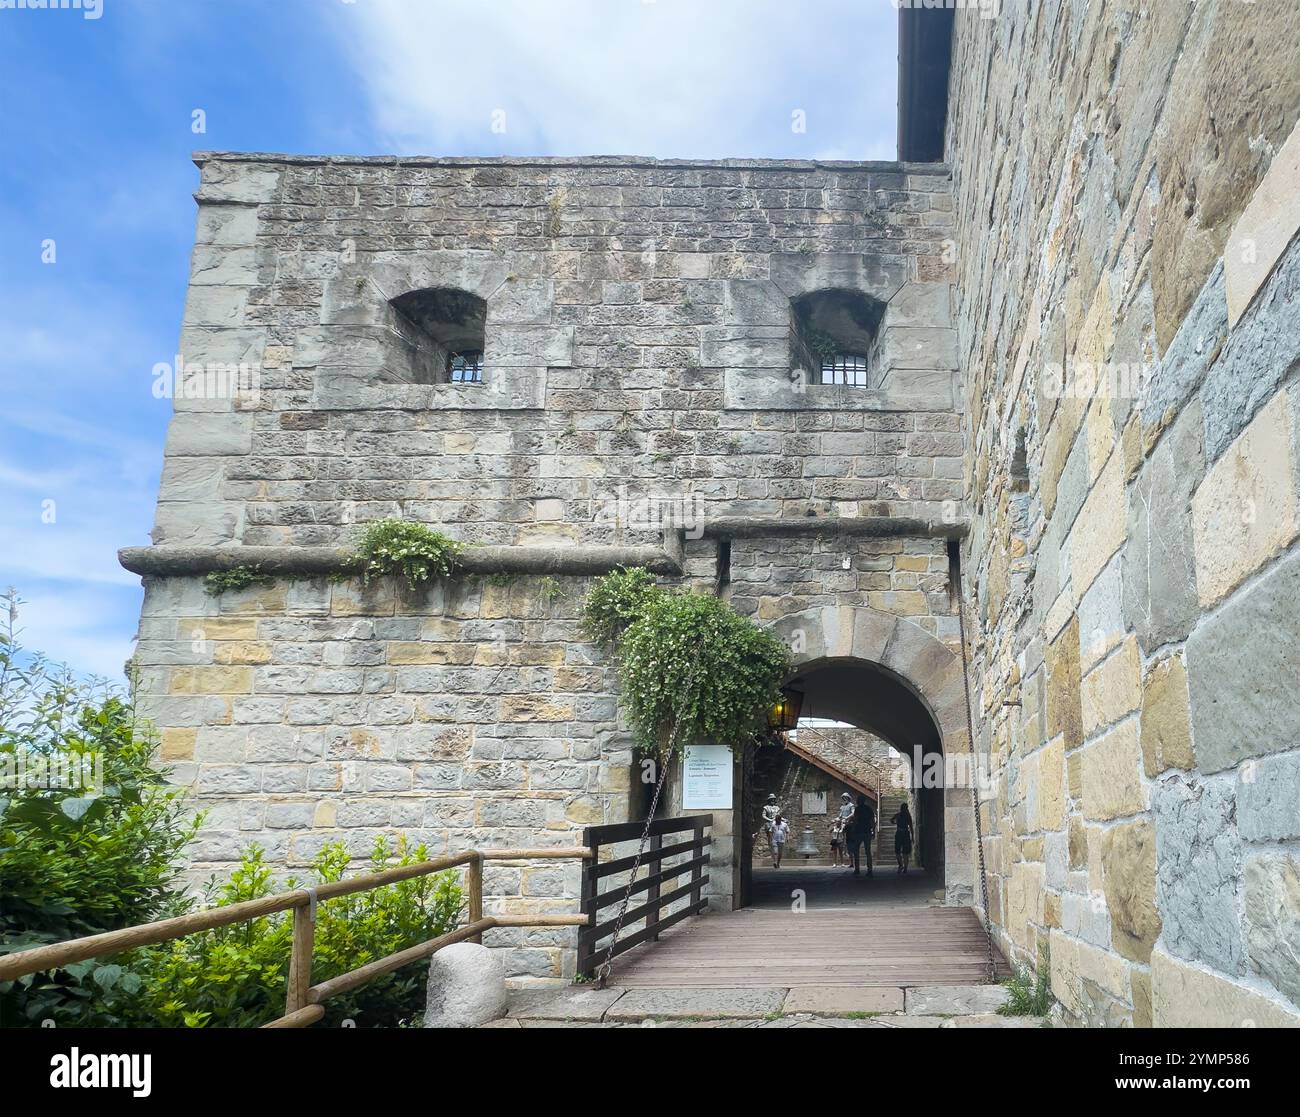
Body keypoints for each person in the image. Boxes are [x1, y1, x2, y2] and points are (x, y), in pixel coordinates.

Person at [849, 794, 875, 877]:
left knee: (856, 851)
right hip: (867, 831)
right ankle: (869, 870)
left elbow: (855, 820)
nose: (856, 801)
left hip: (858, 832)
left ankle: (857, 869)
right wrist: (873, 830)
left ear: (859, 801)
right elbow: (872, 820)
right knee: (868, 851)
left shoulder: (857, 809)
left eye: (857, 800)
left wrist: (853, 830)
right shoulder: (869, 809)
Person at [892, 802, 914, 874]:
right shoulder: (907, 815)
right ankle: (905, 867)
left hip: (899, 833)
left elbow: (891, 820)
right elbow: (910, 826)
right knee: (905, 852)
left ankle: (901, 865)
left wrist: (895, 823)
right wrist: (912, 836)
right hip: (905, 833)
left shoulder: (898, 815)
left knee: (898, 851)